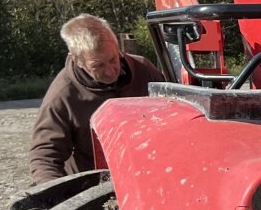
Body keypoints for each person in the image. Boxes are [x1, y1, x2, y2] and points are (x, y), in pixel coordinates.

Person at [28, 14, 164, 184]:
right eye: (97, 66)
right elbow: (45, 155)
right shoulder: (63, 95)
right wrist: (54, 196)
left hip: (147, 173)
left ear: (117, 47)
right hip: (96, 186)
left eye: (113, 59)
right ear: (76, 60)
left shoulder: (145, 71)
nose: (110, 71)